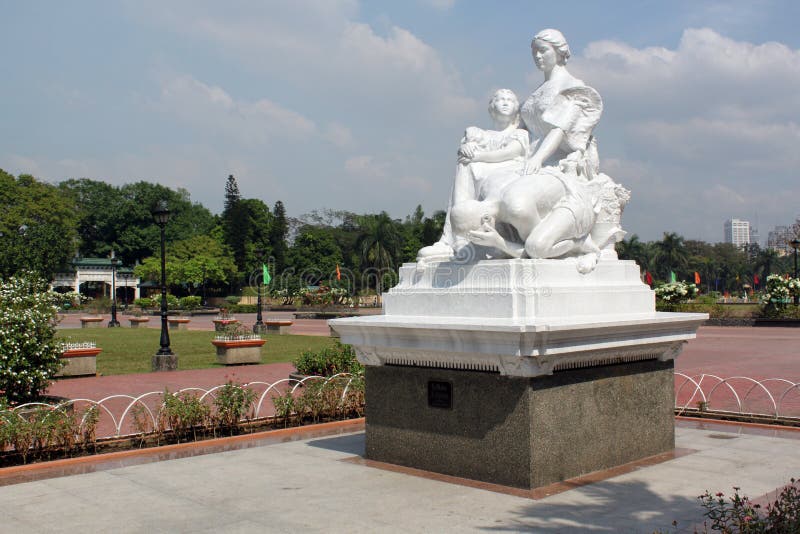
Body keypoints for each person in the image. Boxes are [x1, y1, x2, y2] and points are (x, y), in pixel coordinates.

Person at [452, 29, 606, 270]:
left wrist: (538, 160)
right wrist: (478, 142)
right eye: (534, 51)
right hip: (528, 160)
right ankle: (451, 241)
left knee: (517, 207)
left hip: (557, 164)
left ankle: (577, 244)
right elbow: (517, 130)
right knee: (471, 164)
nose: (537, 56)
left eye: (542, 50)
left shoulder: (573, 87)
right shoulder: (537, 92)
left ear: (559, 51)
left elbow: (558, 131)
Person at [417, 88, 528, 262]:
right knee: (465, 164)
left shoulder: (520, 134)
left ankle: (466, 236)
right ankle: (455, 237)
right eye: (501, 99)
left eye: (511, 100)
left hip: (509, 171)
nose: (506, 102)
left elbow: (509, 153)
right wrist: (465, 149)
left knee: (470, 164)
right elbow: (467, 152)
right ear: (492, 107)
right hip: (484, 169)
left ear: (516, 109)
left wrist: (477, 156)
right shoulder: (479, 134)